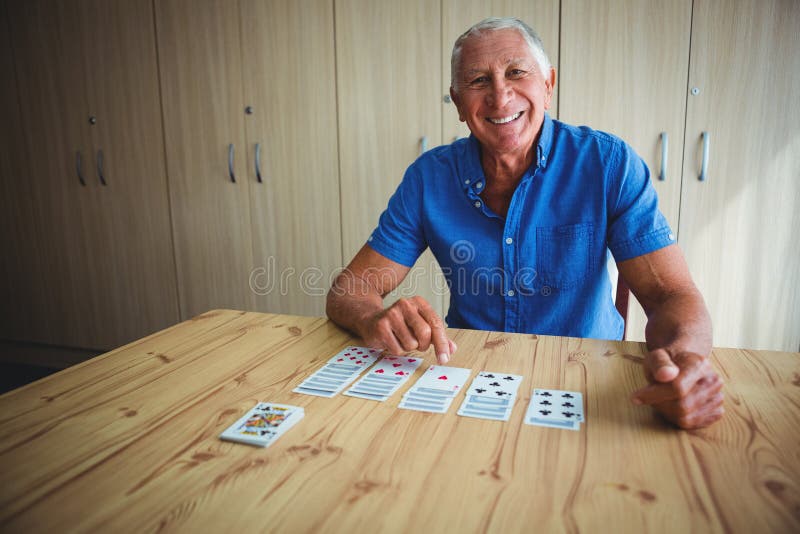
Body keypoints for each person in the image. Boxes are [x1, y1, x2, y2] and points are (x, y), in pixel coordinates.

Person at [326, 17, 723, 429]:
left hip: (586, 380)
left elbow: (672, 295)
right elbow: (351, 289)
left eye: (516, 72)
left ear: (548, 84)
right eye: (478, 81)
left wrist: (685, 363)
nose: (500, 97)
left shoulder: (608, 164)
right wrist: (373, 318)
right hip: (467, 378)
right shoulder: (429, 178)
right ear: (458, 103)